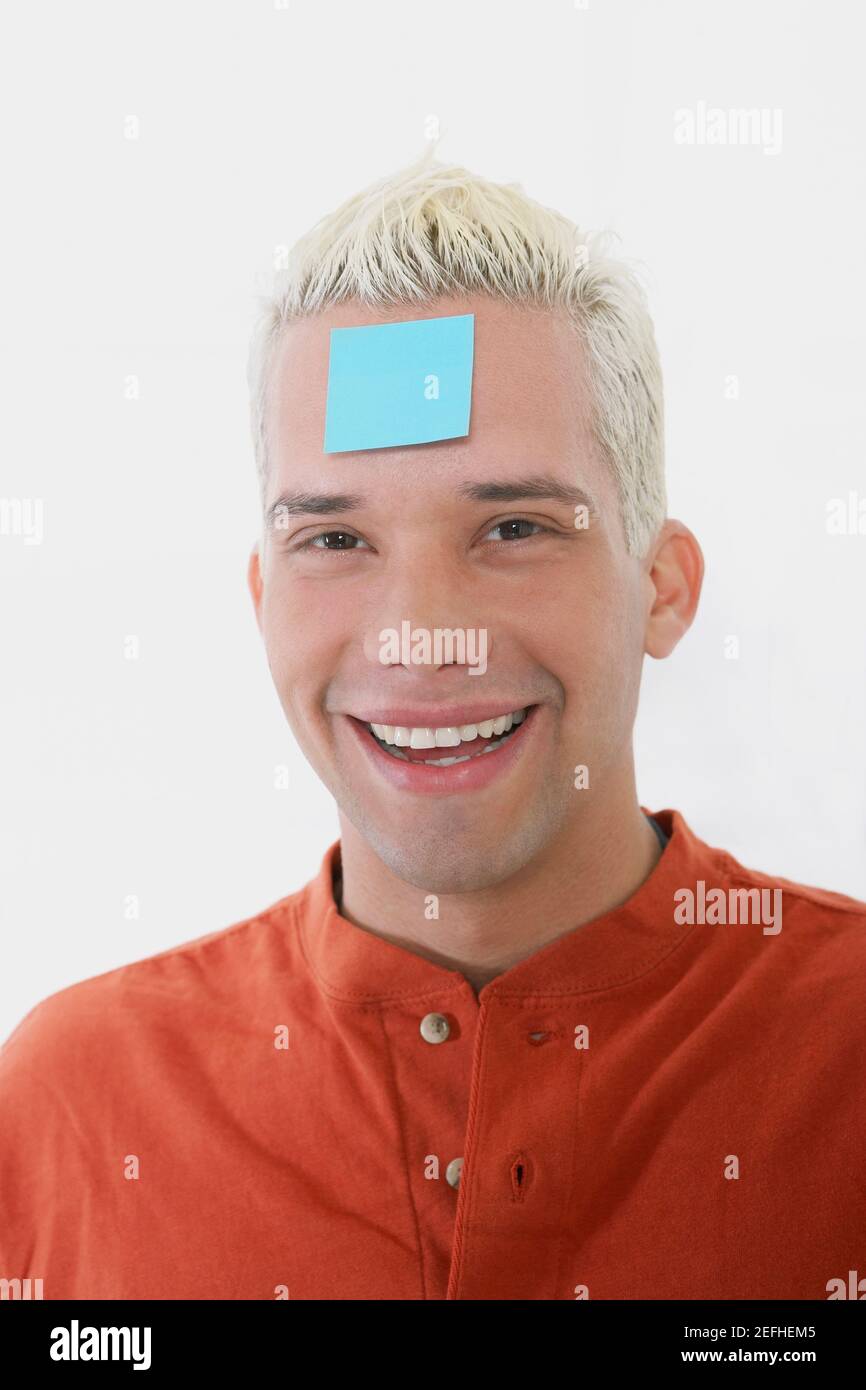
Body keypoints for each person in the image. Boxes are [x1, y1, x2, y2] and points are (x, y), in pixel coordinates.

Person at [1, 148, 863, 1301]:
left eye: (511, 528)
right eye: (336, 541)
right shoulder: (71, 1107)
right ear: (264, 602)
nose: (417, 635)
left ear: (660, 586)